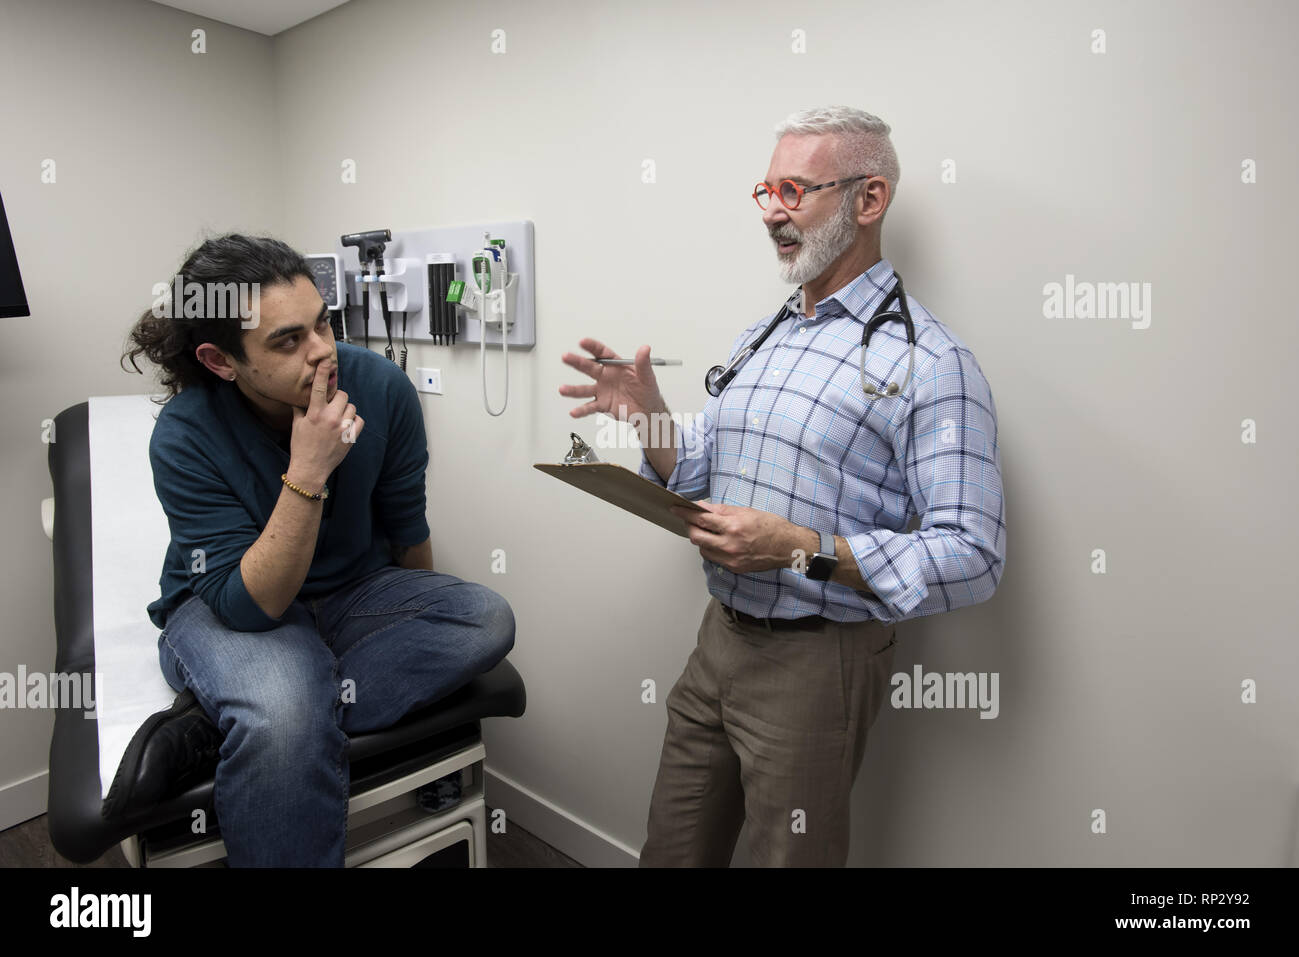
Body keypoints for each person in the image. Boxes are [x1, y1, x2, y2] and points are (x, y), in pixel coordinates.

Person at [560, 106, 1006, 867]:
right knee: (670, 849)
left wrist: (802, 549)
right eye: (766, 191)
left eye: (794, 190)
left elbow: (972, 555)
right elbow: (701, 475)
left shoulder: (932, 363)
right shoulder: (764, 336)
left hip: (818, 661)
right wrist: (653, 421)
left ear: (869, 200)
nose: (772, 212)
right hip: (718, 641)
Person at [121, 234, 515, 866]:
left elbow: (407, 531)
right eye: (287, 341)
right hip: (229, 603)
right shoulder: (185, 434)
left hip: (353, 593)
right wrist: (308, 470)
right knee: (281, 712)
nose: (323, 352)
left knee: (485, 619)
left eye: (323, 324)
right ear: (223, 362)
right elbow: (255, 605)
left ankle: (220, 722)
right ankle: (266, 714)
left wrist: (422, 629)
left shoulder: (381, 388)